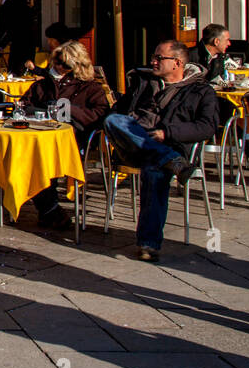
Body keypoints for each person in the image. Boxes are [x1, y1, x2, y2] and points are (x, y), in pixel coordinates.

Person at [104, 40, 218, 262]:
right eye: (153, 57)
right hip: (133, 144)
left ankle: (148, 243)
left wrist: (167, 133)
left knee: (154, 171)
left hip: (170, 143)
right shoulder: (143, 83)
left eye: (158, 58)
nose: (153, 61)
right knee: (113, 120)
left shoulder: (201, 91)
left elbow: (207, 126)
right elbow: (118, 111)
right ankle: (172, 161)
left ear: (177, 63)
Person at [24, 42, 110, 230]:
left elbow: (100, 115)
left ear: (76, 65)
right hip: (40, 137)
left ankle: (50, 211)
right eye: (56, 61)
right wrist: (43, 112)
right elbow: (24, 106)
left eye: (64, 63)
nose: (59, 67)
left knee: (39, 159)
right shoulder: (43, 84)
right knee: (27, 157)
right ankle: (51, 210)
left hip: (74, 141)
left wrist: (70, 110)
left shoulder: (90, 88)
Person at [0, 0, 34, 72]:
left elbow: (5, 28)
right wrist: (1, 45)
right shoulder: (19, 3)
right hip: (29, 43)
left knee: (15, 71)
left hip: (18, 44)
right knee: (27, 71)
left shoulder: (6, 7)